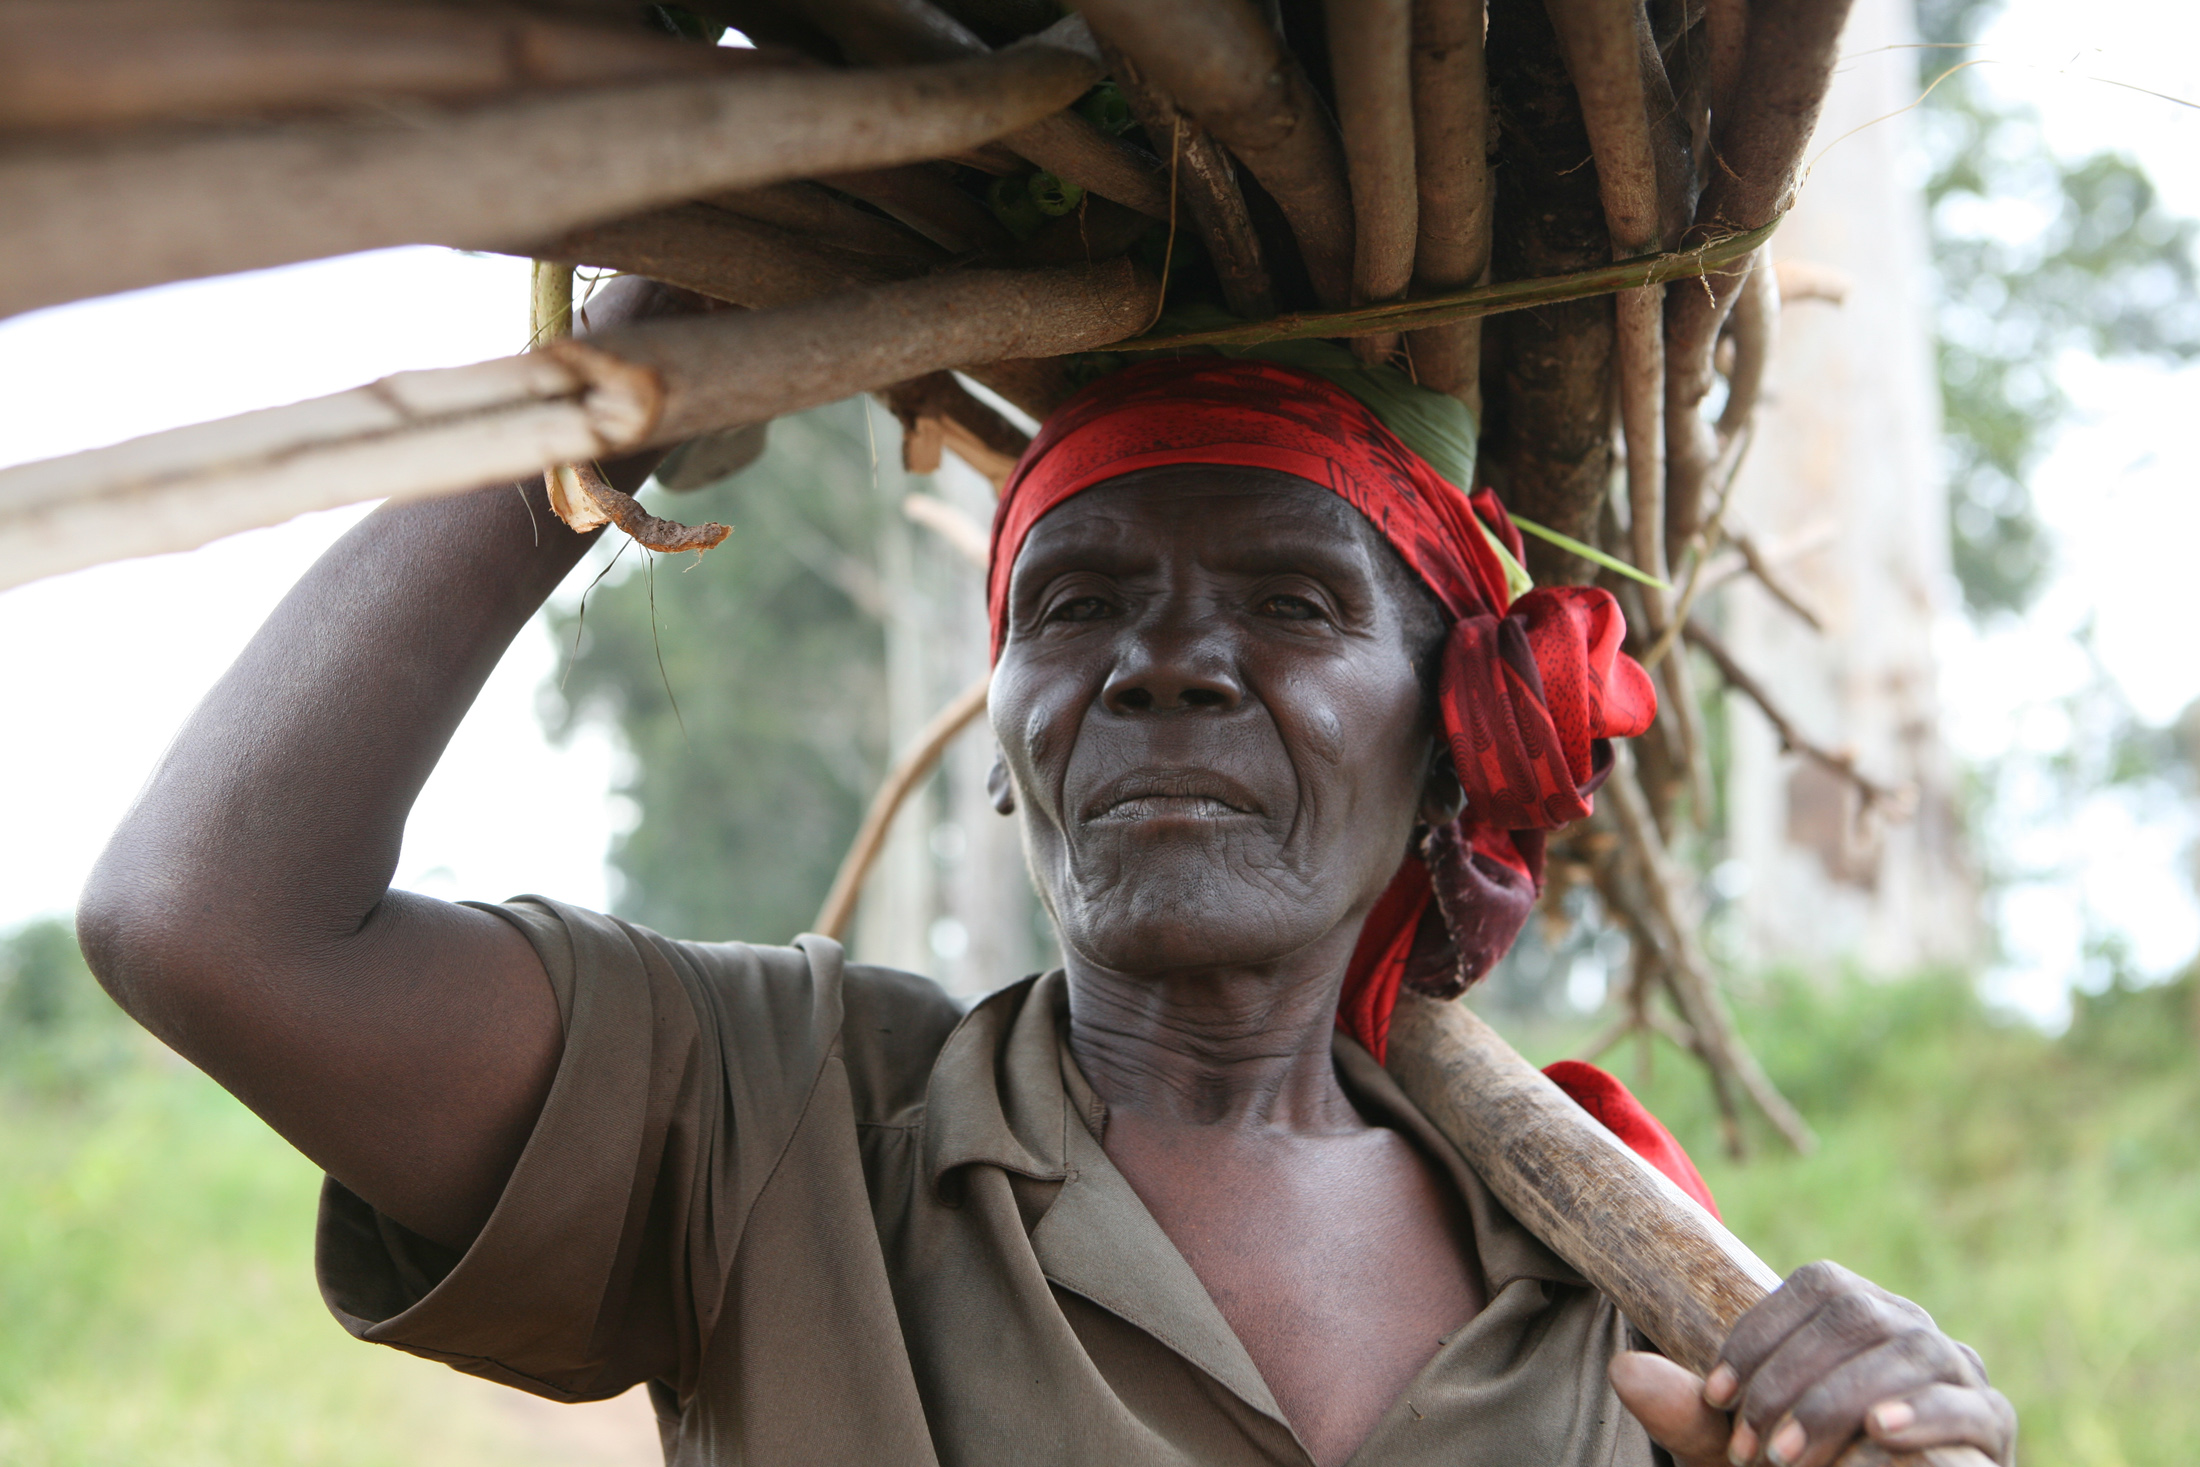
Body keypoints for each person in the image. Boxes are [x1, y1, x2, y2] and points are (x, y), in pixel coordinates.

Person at [79, 278, 2014, 1467]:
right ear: (1013, 742)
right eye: (1079, 601)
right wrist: (617, 385)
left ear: (1457, 728)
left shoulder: (1621, 1312)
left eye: (1289, 597)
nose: (1165, 658)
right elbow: (206, 921)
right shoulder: (780, 1119)